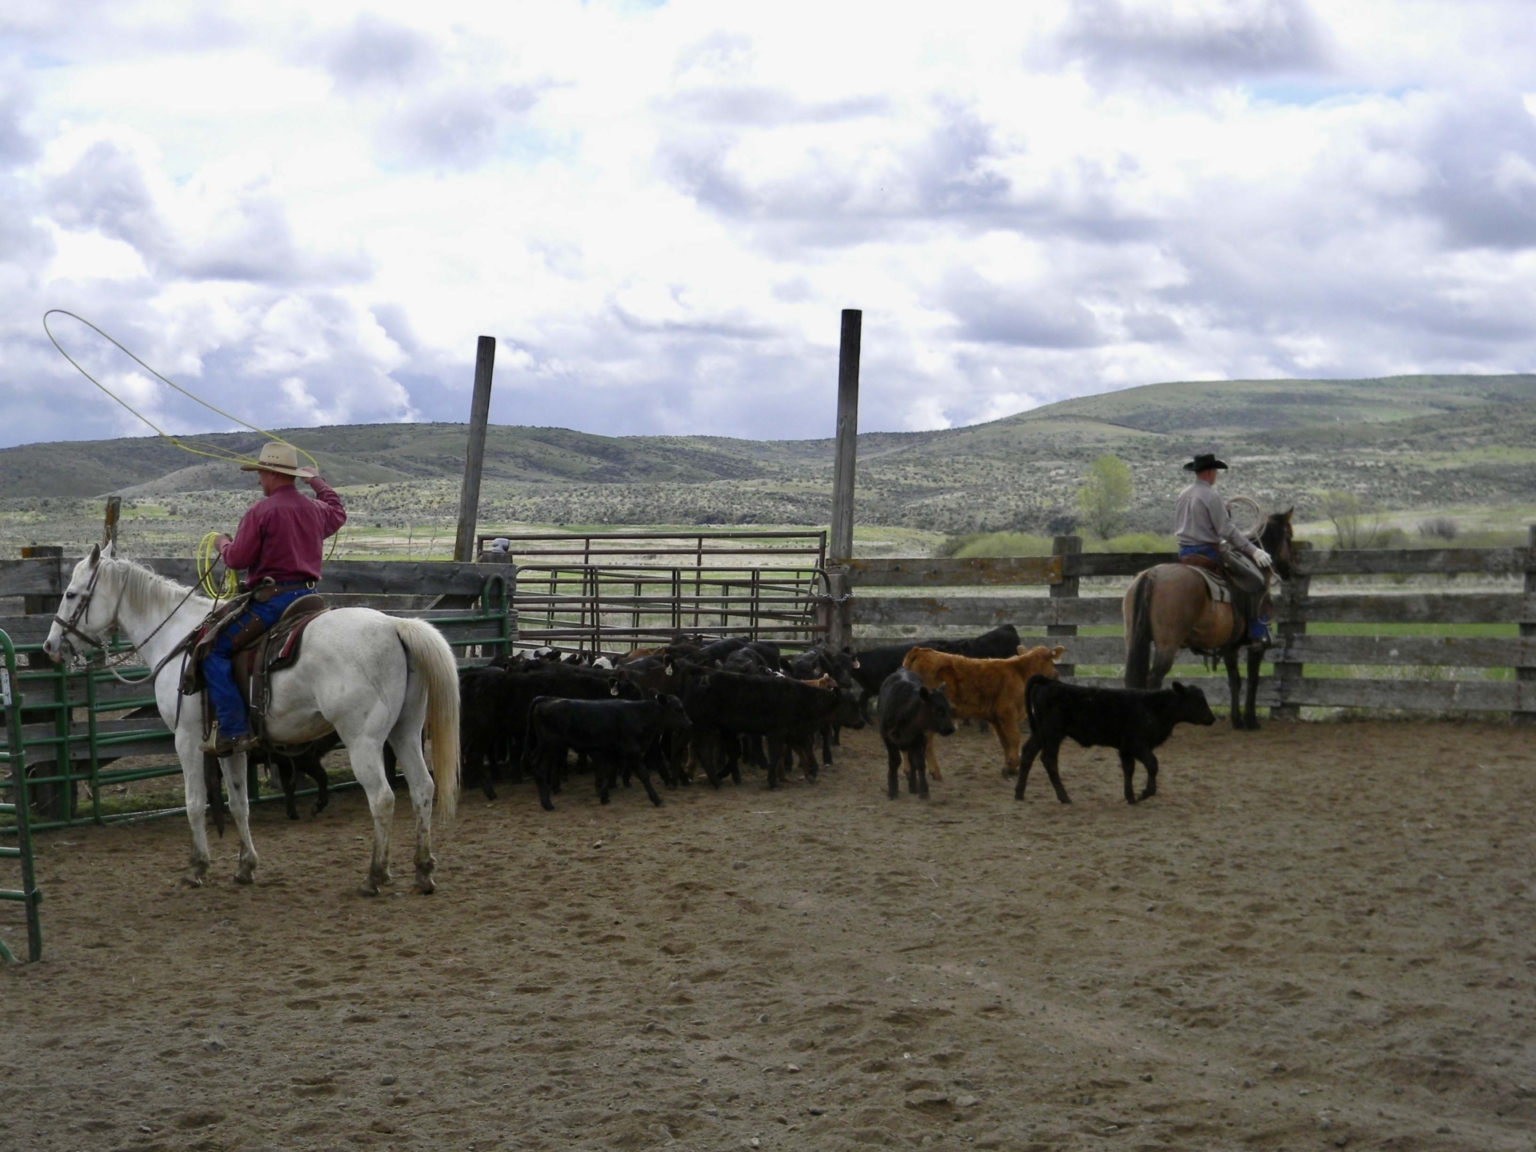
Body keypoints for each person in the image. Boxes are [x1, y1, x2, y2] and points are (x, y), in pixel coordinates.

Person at [200, 442, 347, 754]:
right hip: (308, 597)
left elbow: (238, 560)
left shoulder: (260, 511)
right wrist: (317, 482)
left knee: (213, 650)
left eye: (260, 474)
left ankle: (235, 730)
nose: (258, 480)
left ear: (269, 473)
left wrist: (223, 544)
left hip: (274, 602)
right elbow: (338, 512)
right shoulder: (315, 509)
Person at [1174, 453, 1272, 642]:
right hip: (1208, 552)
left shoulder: (1183, 494)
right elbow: (1226, 529)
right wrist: (1254, 550)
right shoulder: (1211, 495)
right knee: (1256, 582)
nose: (1216, 475)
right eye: (1216, 471)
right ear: (1210, 472)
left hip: (1184, 552)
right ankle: (1258, 634)